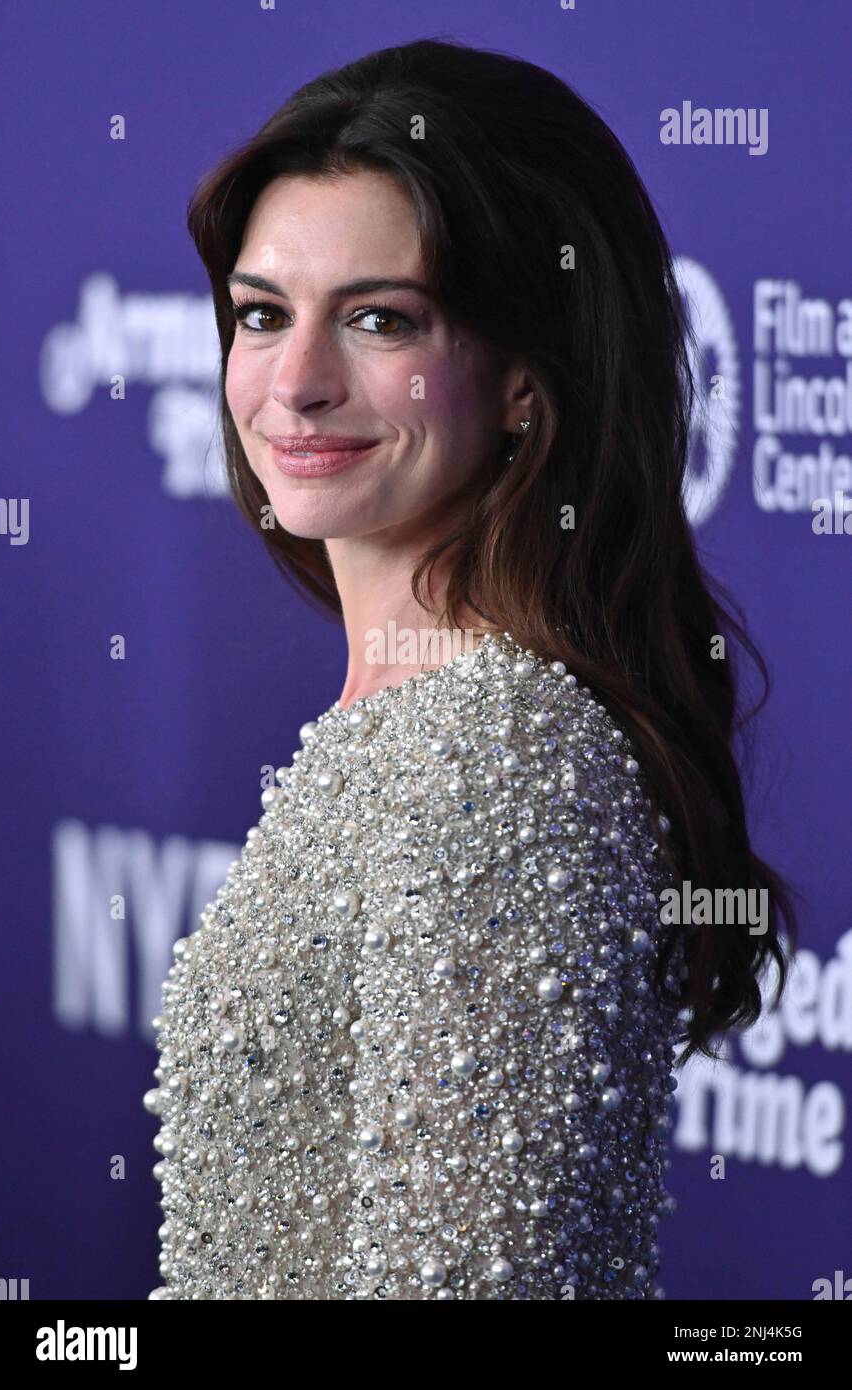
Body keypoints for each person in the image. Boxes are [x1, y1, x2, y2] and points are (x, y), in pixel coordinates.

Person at [144, 37, 798, 1300]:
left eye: (380, 319)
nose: (295, 384)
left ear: (520, 383)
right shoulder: (418, 720)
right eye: (261, 314)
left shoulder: (495, 763)